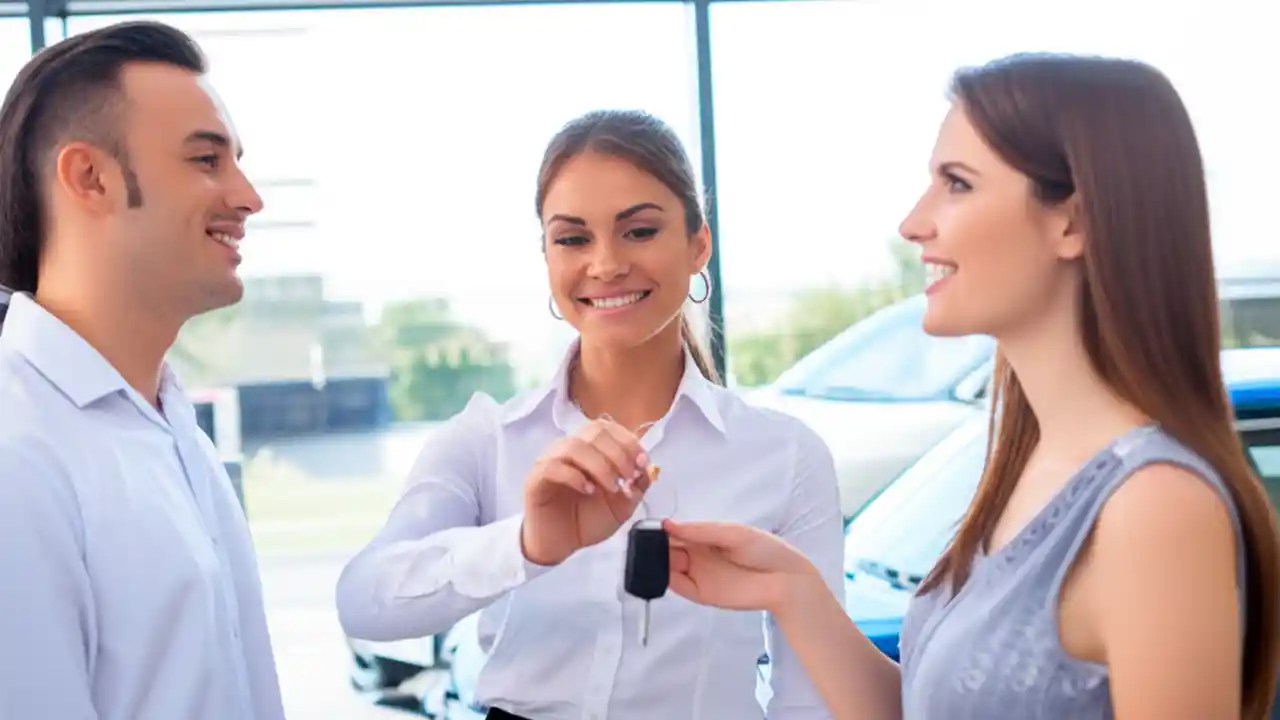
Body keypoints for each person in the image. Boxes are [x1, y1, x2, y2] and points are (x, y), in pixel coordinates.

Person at [662, 53, 1280, 720]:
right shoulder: (1029, 463)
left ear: (1073, 221)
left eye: (956, 184)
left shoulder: (1156, 507)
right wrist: (791, 591)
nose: (913, 223)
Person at [336, 109, 845, 719]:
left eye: (639, 231)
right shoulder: (486, 441)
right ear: (548, 256)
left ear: (698, 244)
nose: (605, 264)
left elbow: (812, 699)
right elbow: (364, 600)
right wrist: (526, 544)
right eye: (573, 238)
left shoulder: (784, 456)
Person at [0, 21, 285, 720]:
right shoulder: (17, 455)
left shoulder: (172, 426)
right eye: (205, 160)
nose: (249, 196)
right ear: (88, 177)